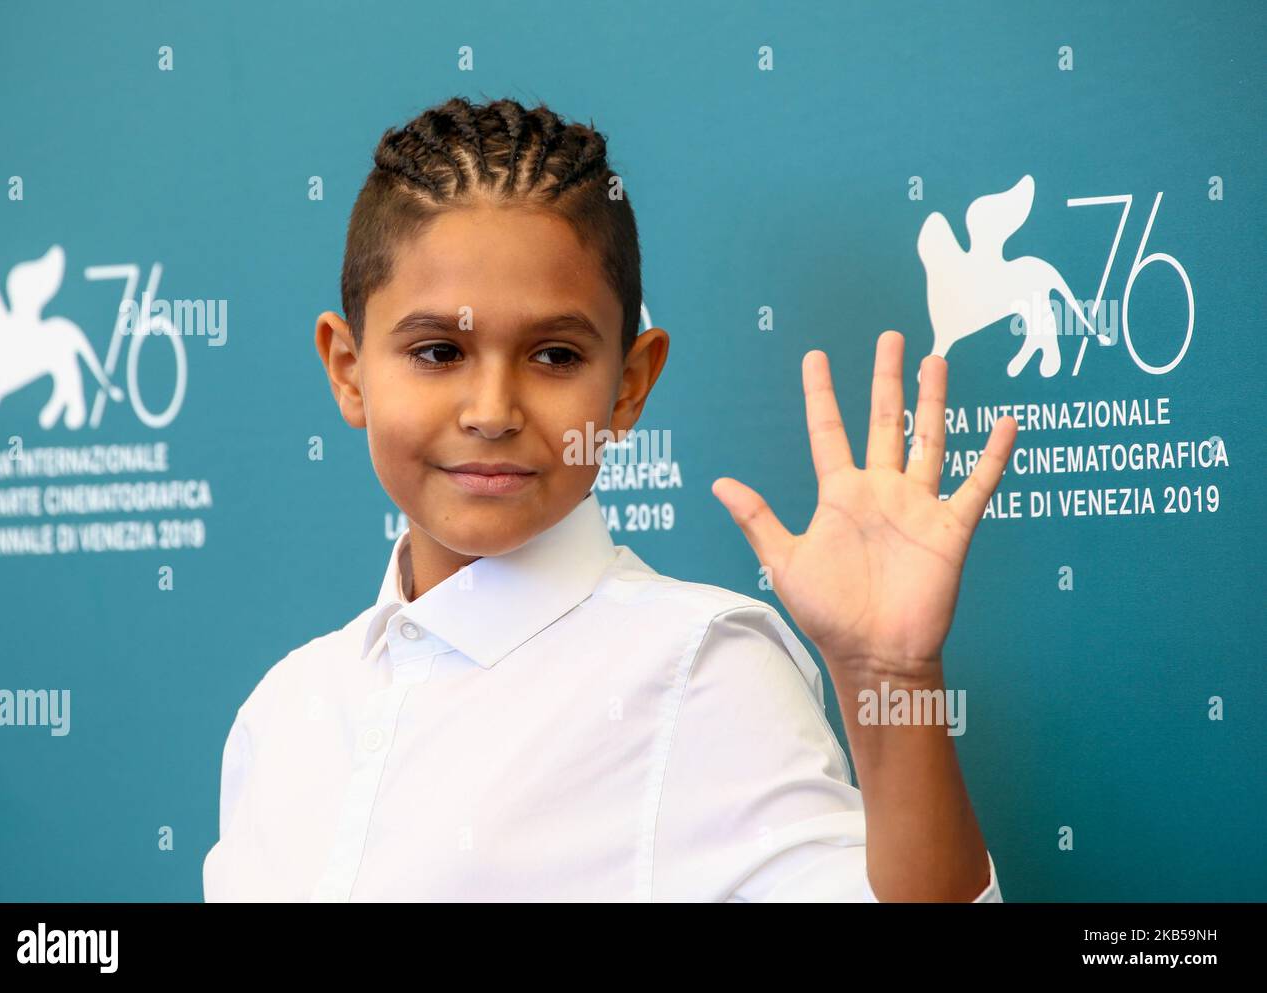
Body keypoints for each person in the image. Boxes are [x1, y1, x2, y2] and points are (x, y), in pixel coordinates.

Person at [202, 96, 1017, 902]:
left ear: (629, 385)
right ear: (348, 368)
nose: (492, 410)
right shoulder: (284, 712)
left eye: (554, 355)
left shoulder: (700, 672)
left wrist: (892, 679)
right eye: (438, 351)